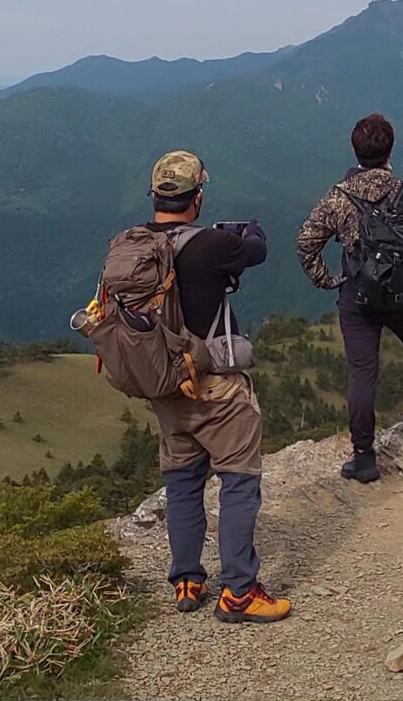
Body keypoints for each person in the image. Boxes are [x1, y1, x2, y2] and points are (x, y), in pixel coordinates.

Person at [140, 150, 291, 624]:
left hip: (165, 387)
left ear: (154, 195)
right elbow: (258, 250)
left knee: (183, 483)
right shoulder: (212, 245)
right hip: (216, 388)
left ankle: (187, 580)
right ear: (198, 197)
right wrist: (250, 230)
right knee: (239, 481)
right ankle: (240, 592)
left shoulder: (134, 246)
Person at [295, 113, 403, 483]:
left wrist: (327, 279)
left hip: (358, 298)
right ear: (390, 150)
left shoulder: (339, 197)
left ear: (355, 150)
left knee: (362, 376)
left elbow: (305, 243)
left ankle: (364, 457)